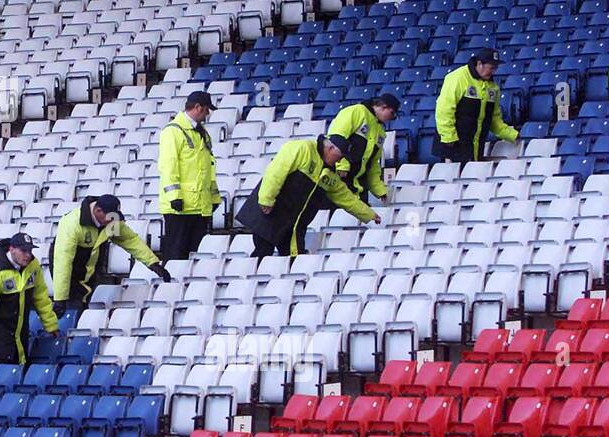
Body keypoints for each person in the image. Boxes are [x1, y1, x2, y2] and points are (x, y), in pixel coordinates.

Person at [236, 134, 381, 258]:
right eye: (340, 156)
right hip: (270, 214)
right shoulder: (301, 148)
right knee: (262, 253)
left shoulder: (330, 175)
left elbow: (346, 198)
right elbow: (276, 172)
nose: (340, 161)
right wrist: (266, 200)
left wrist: (369, 214)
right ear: (330, 148)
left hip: (294, 224)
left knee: (295, 260)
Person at [52, 194, 171, 312]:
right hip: (70, 269)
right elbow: (63, 263)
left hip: (90, 270)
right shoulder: (72, 224)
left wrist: (153, 263)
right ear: (98, 211)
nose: (112, 221)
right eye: (110, 217)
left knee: (84, 304)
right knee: (73, 305)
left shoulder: (109, 220)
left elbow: (129, 240)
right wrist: (60, 298)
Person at [0, 232, 59, 365]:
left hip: (21, 333)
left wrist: (51, 325)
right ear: (11, 249)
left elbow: (41, 298)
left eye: (30, 251)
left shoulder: (33, 266)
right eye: (23, 251)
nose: (28, 255)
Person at [158, 90, 221, 261]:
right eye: (207, 109)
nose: (208, 114)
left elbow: (208, 170)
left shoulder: (203, 134)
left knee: (195, 257)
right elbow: (168, 166)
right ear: (198, 107)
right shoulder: (173, 131)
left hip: (199, 207)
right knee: (176, 255)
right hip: (180, 207)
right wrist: (174, 196)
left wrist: (214, 198)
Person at [434, 48, 519, 163]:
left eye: (495, 68)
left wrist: (513, 135)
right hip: (453, 147)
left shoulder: (493, 88)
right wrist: (449, 138)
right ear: (480, 64)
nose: (493, 72)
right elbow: (444, 110)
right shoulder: (457, 78)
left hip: (475, 147)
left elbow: (494, 120)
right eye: (491, 68)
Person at [327, 93, 400, 203]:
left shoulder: (380, 132)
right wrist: (342, 164)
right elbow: (336, 137)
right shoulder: (356, 112)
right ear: (384, 106)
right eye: (392, 114)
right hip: (340, 180)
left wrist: (380, 191)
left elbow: (373, 165)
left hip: (358, 186)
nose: (391, 118)